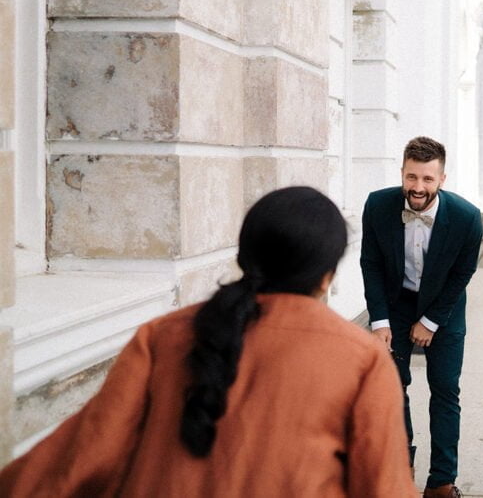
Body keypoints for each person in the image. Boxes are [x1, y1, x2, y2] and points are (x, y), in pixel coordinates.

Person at [0, 186, 415, 497]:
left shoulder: (162, 336)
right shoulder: (361, 360)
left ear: (244, 259)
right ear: (328, 275)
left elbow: (79, 458)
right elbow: (383, 486)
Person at [361, 136, 483, 498]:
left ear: (442, 179)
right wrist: (379, 321)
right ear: (402, 172)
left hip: (443, 309)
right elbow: (370, 263)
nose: (418, 187)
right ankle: (401, 468)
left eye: (428, 179)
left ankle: (442, 482)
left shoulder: (467, 218)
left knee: (445, 389)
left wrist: (430, 321)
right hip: (396, 305)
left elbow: (462, 275)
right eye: (412, 177)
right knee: (391, 386)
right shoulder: (378, 204)